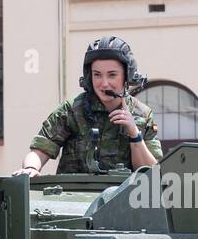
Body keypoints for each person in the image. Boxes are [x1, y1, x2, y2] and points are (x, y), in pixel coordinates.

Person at [15, 35, 163, 175]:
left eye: (112, 75)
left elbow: (150, 173)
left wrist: (134, 133)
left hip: (123, 199)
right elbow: (40, 149)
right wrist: (30, 168)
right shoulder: (72, 110)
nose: (104, 83)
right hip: (72, 198)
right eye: (97, 74)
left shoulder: (142, 114)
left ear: (127, 76)